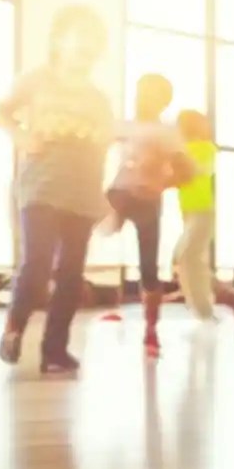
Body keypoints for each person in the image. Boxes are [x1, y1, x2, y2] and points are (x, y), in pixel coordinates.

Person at [0, 5, 113, 374]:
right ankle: (14, 326)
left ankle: (55, 349)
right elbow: (1, 111)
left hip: (81, 192)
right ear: (60, 40)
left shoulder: (98, 98)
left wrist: (103, 200)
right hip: (40, 186)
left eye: (94, 40)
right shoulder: (37, 79)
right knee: (37, 263)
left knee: (71, 273)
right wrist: (21, 135)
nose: (87, 44)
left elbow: (103, 144)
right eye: (81, 35)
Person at [100, 73, 192, 358]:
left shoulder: (167, 133)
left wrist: (160, 183)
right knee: (96, 218)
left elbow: (187, 171)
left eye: (151, 94)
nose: (142, 98)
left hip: (148, 200)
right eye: (140, 91)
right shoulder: (123, 126)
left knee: (149, 268)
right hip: (119, 193)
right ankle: (109, 222)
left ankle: (151, 330)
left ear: (162, 102)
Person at [171, 109, 234, 323]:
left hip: (203, 212)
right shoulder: (182, 149)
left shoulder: (205, 149)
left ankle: (209, 308)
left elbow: (190, 172)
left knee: (187, 257)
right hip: (189, 213)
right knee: (188, 260)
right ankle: (219, 297)